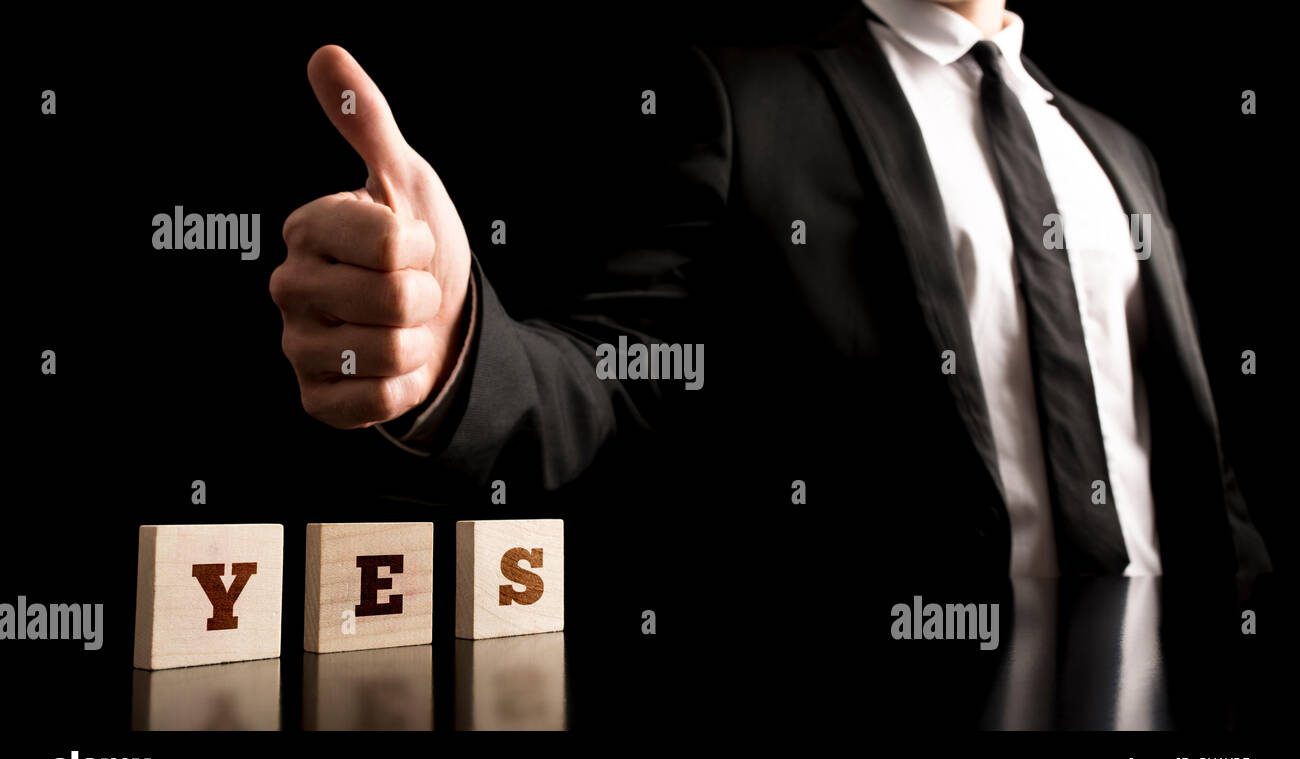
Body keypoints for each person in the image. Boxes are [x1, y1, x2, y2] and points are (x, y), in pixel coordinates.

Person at [269, 0, 1270, 579]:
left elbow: (1188, 465)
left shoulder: (1118, 152)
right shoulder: (748, 101)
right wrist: (455, 357)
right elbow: (616, 385)